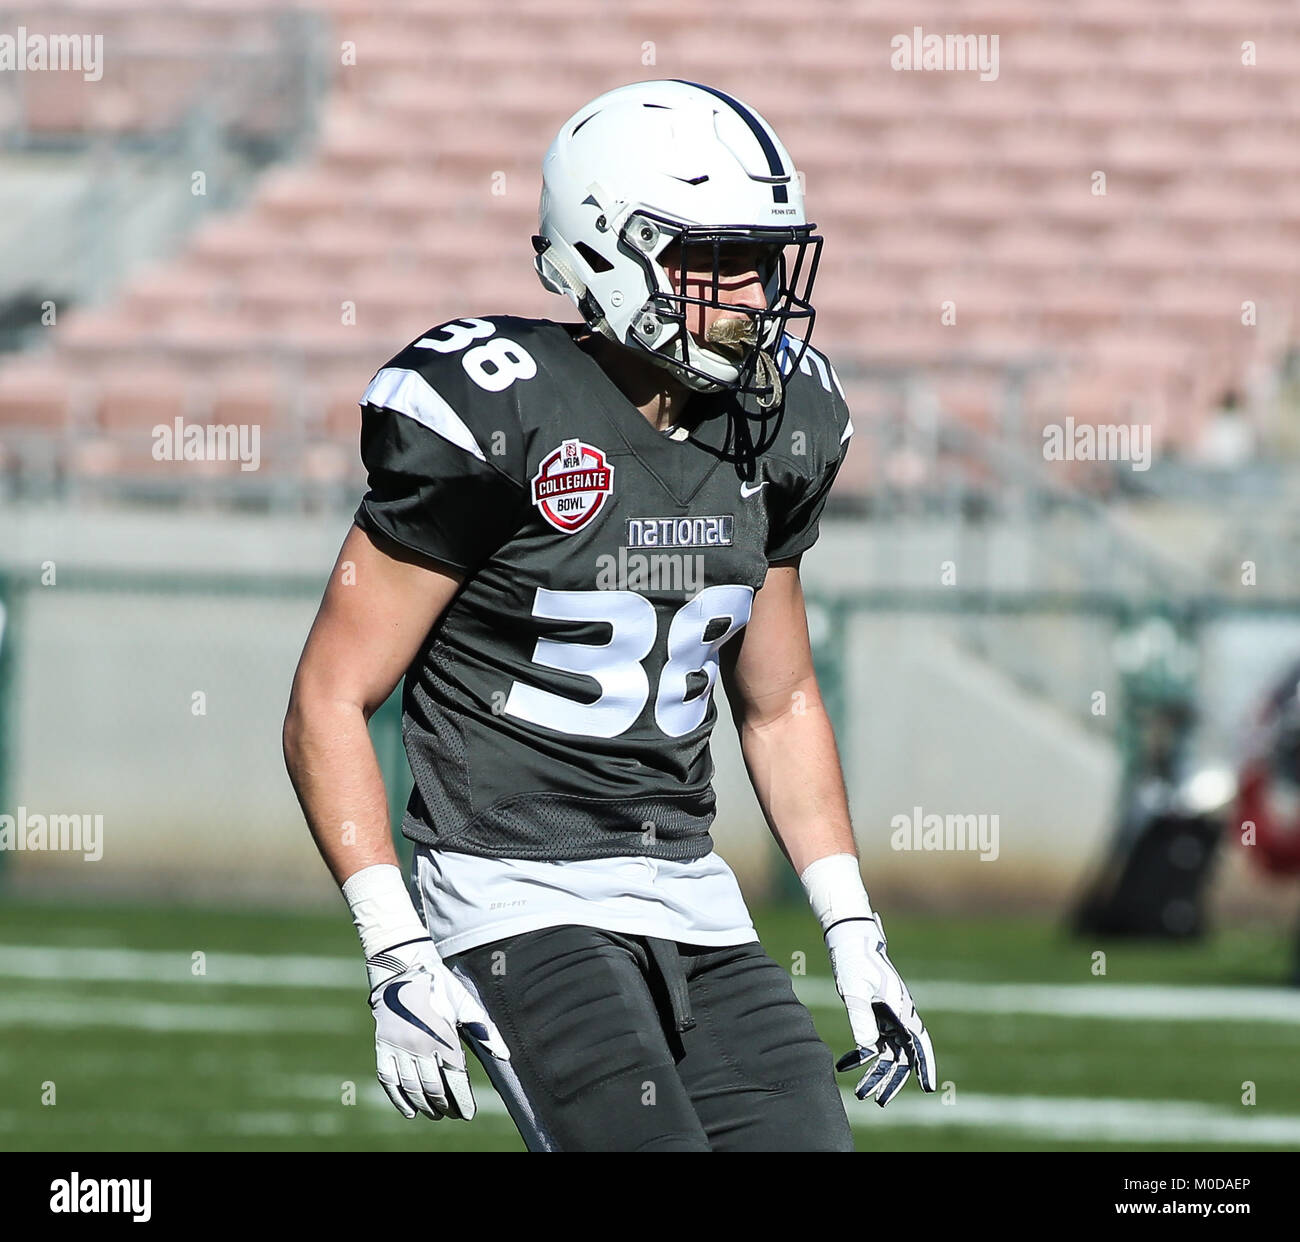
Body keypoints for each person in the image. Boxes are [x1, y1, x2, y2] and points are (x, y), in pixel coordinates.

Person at [283, 79, 935, 1152]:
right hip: (511, 888)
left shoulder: (776, 423)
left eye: (759, 260)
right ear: (605, 250)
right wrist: (394, 950)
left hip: (687, 886)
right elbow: (328, 699)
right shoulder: (498, 407)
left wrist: (852, 929)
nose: (746, 294)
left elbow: (776, 703)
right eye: (707, 260)